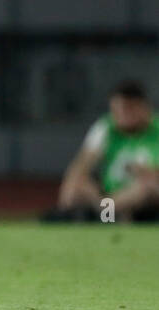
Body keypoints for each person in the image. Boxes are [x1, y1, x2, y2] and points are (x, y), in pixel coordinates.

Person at [56, 79, 159, 221]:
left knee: (148, 186)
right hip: (107, 194)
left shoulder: (156, 129)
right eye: (116, 110)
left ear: (143, 107)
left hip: (142, 195)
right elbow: (82, 165)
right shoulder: (105, 127)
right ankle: (108, 213)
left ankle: (107, 213)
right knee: (76, 183)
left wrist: (146, 172)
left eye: (127, 109)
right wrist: (71, 188)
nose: (121, 115)